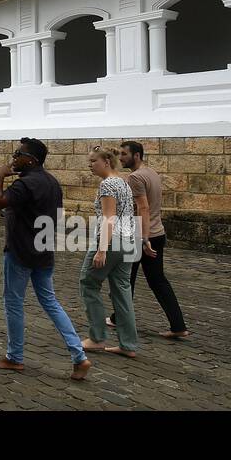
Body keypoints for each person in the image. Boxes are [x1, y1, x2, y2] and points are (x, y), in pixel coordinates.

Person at [0, 137, 91, 381]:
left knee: (14, 303)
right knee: (51, 303)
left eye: (17, 154)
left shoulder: (25, 184)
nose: (13, 158)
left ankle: (15, 357)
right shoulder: (52, 182)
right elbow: (42, 213)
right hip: (44, 252)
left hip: (21, 253)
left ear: (31, 159)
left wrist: (0, 176)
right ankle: (79, 357)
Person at [110, 141, 189, 340]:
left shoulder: (135, 177)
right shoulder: (151, 173)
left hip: (141, 236)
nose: (121, 158)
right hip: (157, 232)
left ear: (136, 155)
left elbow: (142, 207)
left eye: (124, 154)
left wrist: (144, 239)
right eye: (119, 154)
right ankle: (178, 325)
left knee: (124, 279)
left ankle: (119, 318)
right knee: (156, 280)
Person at [80, 146, 139, 359]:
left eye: (93, 161)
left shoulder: (107, 185)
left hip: (112, 242)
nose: (90, 165)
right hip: (129, 241)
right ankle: (128, 344)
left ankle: (97, 337)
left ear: (106, 161)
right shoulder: (123, 182)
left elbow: (108, 218)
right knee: (122, 291)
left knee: (88, 283)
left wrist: (101, 250)